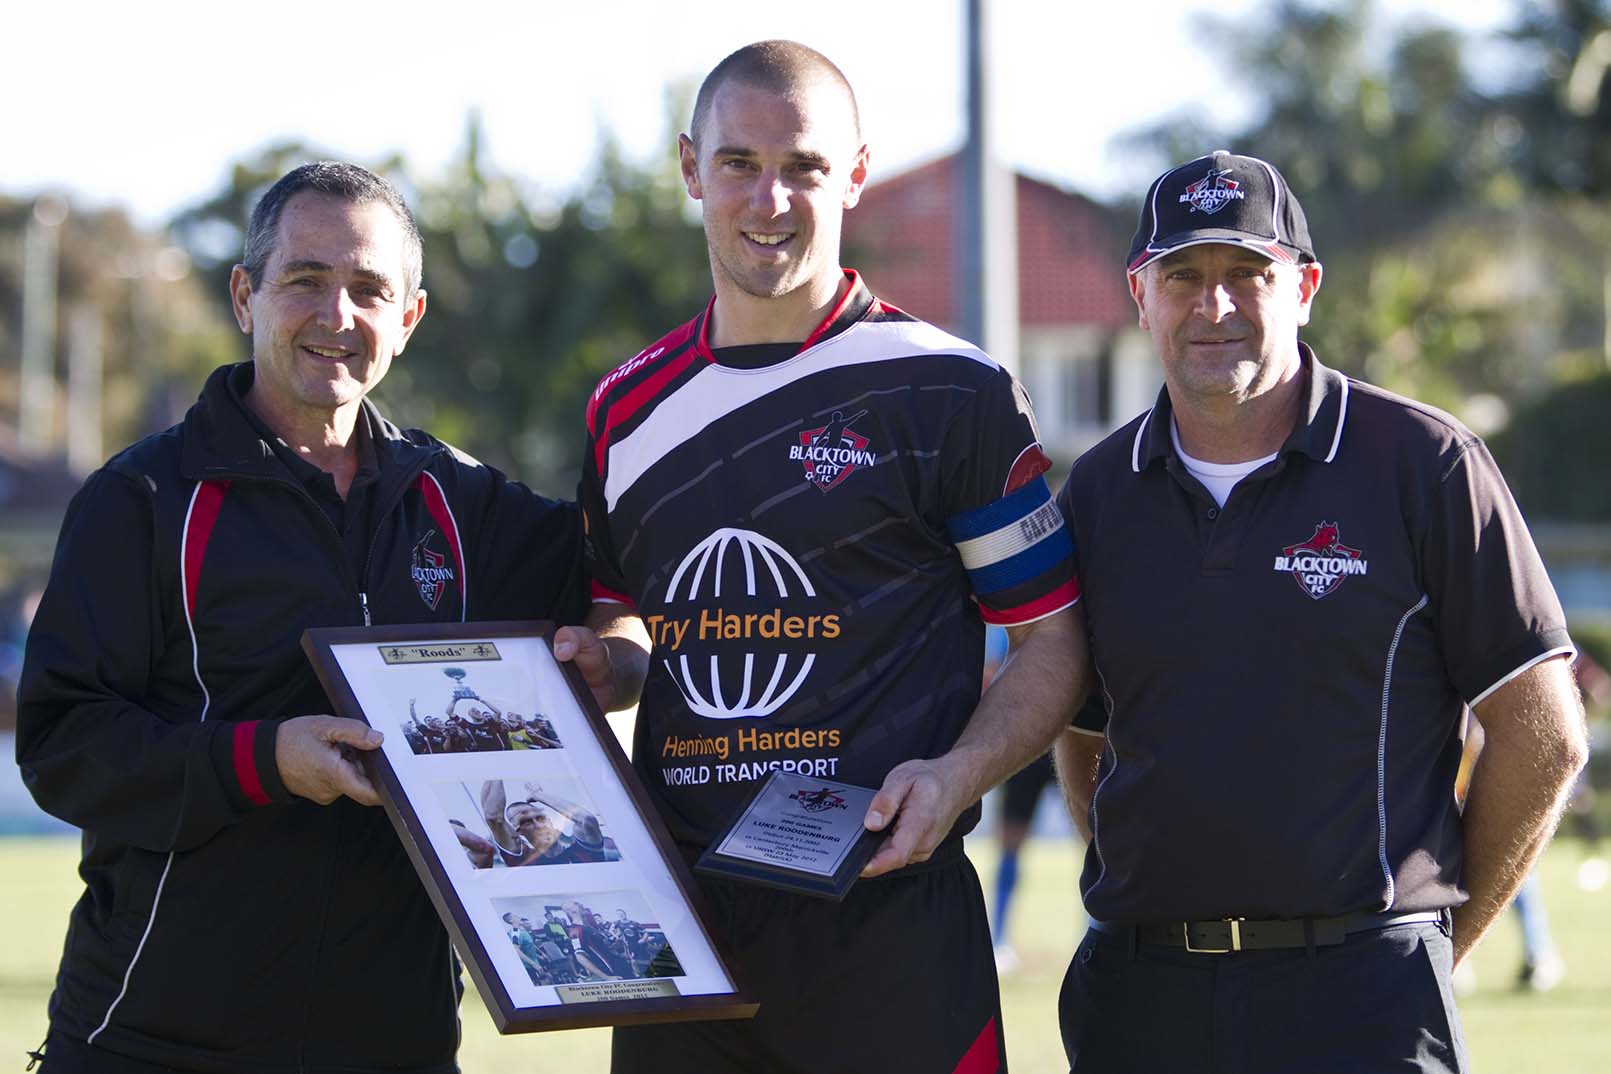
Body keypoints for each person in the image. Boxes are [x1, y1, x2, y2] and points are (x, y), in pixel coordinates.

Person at [15, 162, 642, 1074]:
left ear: (410, 317)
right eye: (305, 280)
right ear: (246, 294)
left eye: (367, 289)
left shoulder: (466, 505)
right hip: (155, 1041)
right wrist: (265, 760)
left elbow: (628, 571)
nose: (336, 315)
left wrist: (617, 655)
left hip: (397, 1043)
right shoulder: (142, 498)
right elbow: (65, 746)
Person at [582, 40, 1085, 1074]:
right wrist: (604, 663)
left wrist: (955, 777)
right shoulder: (622, 412)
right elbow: (622, 621)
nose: (771, 199)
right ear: (691, 170)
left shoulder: (951, 392)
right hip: (689, 935)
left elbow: (1051, 644)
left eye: (805, 167)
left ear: (854, 174)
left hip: (888, 928)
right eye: (739, 164)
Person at [1052, 150, 1588, 1074]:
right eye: (1181, 274)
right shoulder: (1099, 490)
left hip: (1360, 996)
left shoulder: (1424, 464)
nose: (1212, 305)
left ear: (1303, 286)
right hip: (1138, 998)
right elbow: (1082, 730)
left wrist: (1430, 947)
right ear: (1139, 295)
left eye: (1246, 274)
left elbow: (1543, 736)